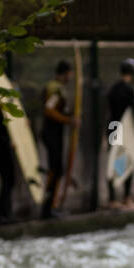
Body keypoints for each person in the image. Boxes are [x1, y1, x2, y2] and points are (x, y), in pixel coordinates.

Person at [41, 59, 78, 218]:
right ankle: (48, 207)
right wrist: (68, 120)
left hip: (56, 133)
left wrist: (70, 118)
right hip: (51, 133)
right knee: (55, 170)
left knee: (58, 170)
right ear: (65, 73)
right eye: (70, 73)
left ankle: (52, 206)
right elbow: (49, 110)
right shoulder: (55, 89)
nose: (71, 77)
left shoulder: (59, 88)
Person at [105, 58, 134, 210]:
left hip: (112, 128)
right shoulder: (129, 91)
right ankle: (127, 198)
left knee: (113, 162)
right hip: (126, 131)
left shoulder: (113, 89)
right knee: (128, 161)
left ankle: (111, 199)